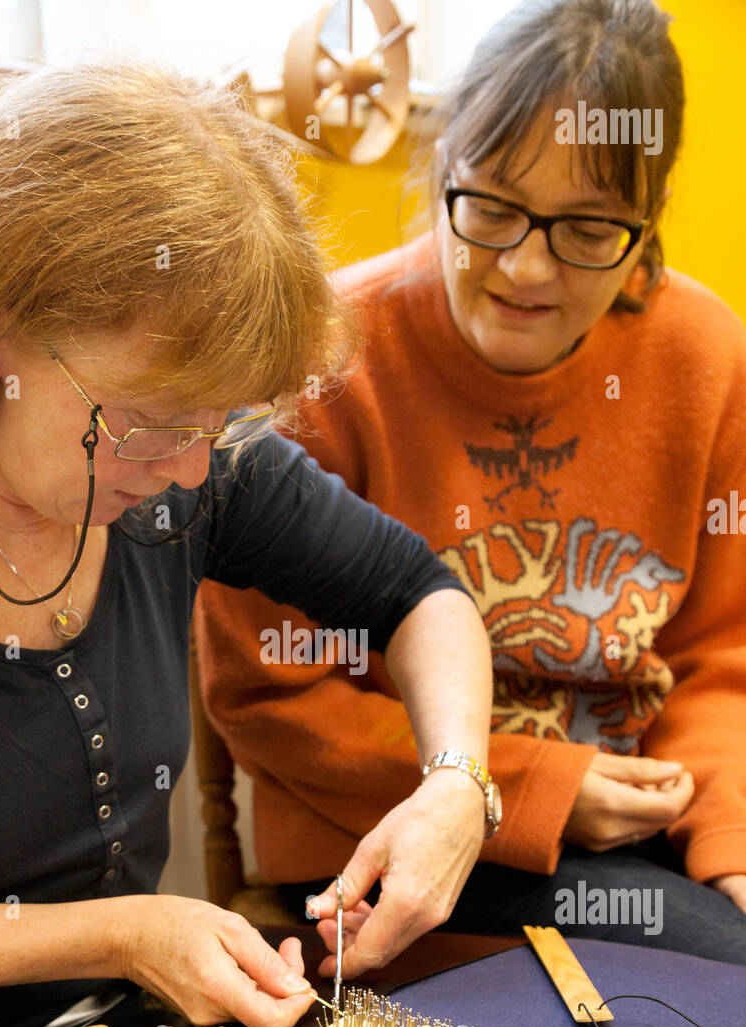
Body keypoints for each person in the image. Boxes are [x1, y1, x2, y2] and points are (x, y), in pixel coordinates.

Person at [0, 59, 493, 1027]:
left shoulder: (181, 456)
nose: (191, 471)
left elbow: (416, 593)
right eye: (155, 423)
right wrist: (117, 935)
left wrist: (457, 786)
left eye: (215, 424)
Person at [195, 0, 746, 968]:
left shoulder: (706, 357)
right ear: (440, 168)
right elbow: (270, 696)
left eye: (585, 229)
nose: (524, 267)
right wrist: (538, 787)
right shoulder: (325, 357)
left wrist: (731, 842)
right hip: (375, 834)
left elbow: (721, 657)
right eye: (488, 206)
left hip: (639, 820)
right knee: (706, 965)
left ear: (644, 223)